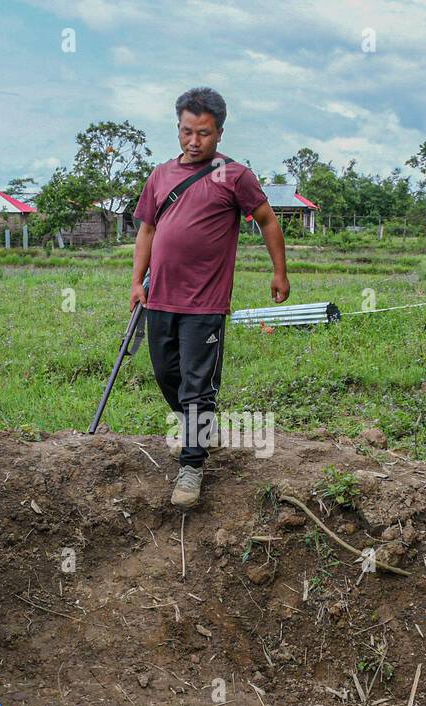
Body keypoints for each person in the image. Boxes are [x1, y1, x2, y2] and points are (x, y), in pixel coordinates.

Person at [130, 86, 289, 509]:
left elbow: (268, 221)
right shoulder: (160, 175)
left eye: (203, 133)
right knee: (168, 375)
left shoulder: (234, 176)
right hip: (160, 298)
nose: (193, 142)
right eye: (186, 132)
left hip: (205, 303)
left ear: (219, 132)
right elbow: (146, 231)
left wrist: (279, 272)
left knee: (196, 387)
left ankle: (192, 465)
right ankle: (200, 431)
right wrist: (136, 281)